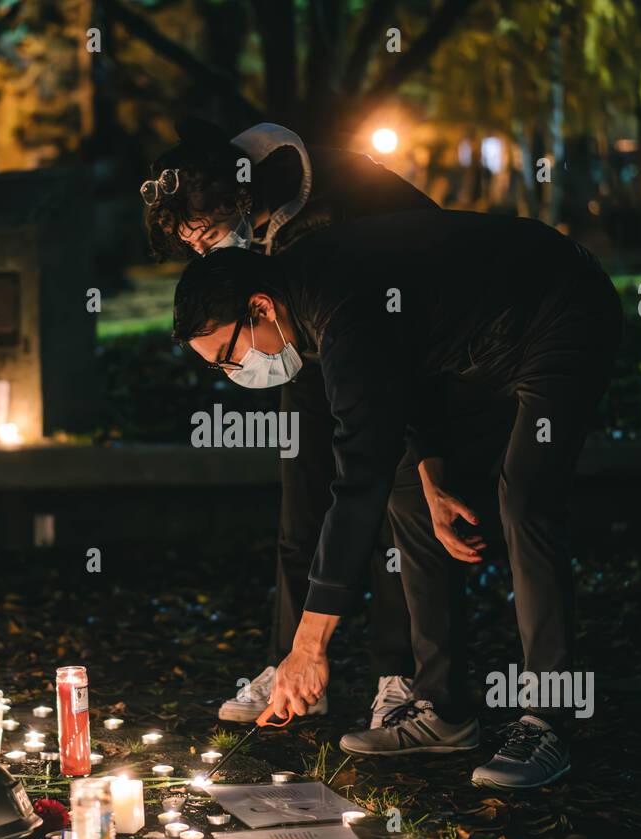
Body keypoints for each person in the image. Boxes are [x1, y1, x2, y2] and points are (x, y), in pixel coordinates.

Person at [173, 210, 622, 788]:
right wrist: (435, 477)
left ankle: (548, 719)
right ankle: (443, 710)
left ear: (259, 307)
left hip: (560, 308)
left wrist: (308, 645)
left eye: (230, 356)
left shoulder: (338, 310)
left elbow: (359, 475)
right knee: (411, 497)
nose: (235, 373)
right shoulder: (308, 304)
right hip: (470, 345)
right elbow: (402, 384)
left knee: (525, 499)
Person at [143, 118, 442, 728]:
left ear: (238, 194)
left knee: (385, 506)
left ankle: (398, 672)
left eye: (204, 232)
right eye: (189, 244)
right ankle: (294, 667)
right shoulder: (244, 237)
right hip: (297, 348)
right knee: (299, 506)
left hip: (380, 349)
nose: (201, 250)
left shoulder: (337, 195)